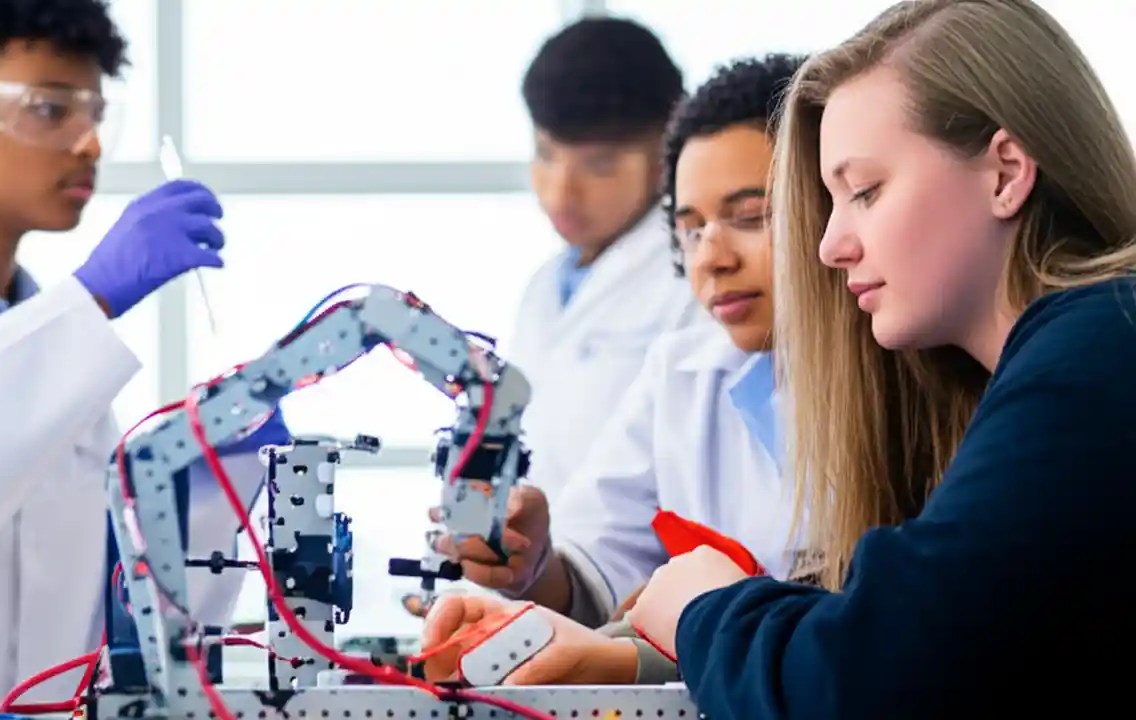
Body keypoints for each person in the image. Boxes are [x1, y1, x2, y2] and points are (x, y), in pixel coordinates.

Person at [620, 0, 1136, 717]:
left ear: (1005, 173)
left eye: (864, 191)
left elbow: (864, 681)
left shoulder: (1097, 353)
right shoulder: (1064, 357)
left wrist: (703, 608)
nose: (830, 247)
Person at [0, 0, 284, 706]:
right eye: (51, 110)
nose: (89, 144)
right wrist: (93, 299)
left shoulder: (57, 355)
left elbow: (115, 634)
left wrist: (203, 495)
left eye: (94, 113)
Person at [419, 54, 806, 685]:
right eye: (692, 229)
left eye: (750, 216)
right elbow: (602, 561)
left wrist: (637, 647)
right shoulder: (682, 370)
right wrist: (532, 563)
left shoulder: (920, 379)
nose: (711, 259)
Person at [508, 16, 705, 508]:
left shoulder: (696, 281)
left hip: (645, 576)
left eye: (599, 165)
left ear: (667, 149)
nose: (560, 192)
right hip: (545, 572)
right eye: (546, 154)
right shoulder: (544, 286)